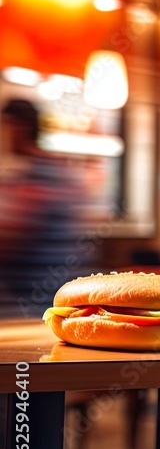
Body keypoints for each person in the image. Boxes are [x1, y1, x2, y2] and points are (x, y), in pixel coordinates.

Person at [0, 99, 91, 318]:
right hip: (46, 293)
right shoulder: (54, 168)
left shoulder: (42, 172)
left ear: (17, 127)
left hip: (35, 298)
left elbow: (13, 233)